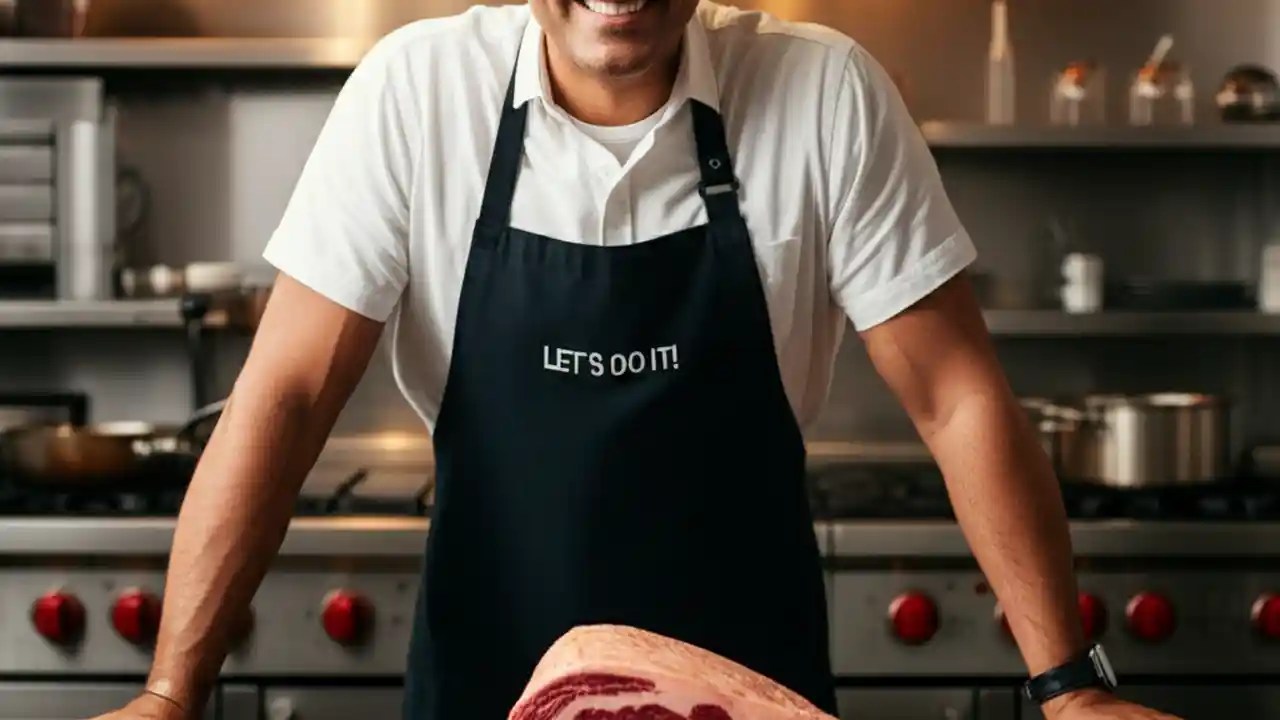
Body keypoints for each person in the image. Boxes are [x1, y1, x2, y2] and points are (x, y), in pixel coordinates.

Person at [95, 1, 1180, 719]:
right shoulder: (414, 96)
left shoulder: (822, 94)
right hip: (490, 688)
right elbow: (284, 395)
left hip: (745, 690)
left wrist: (1067, 685)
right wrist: (170, 692)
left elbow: (955, 397)